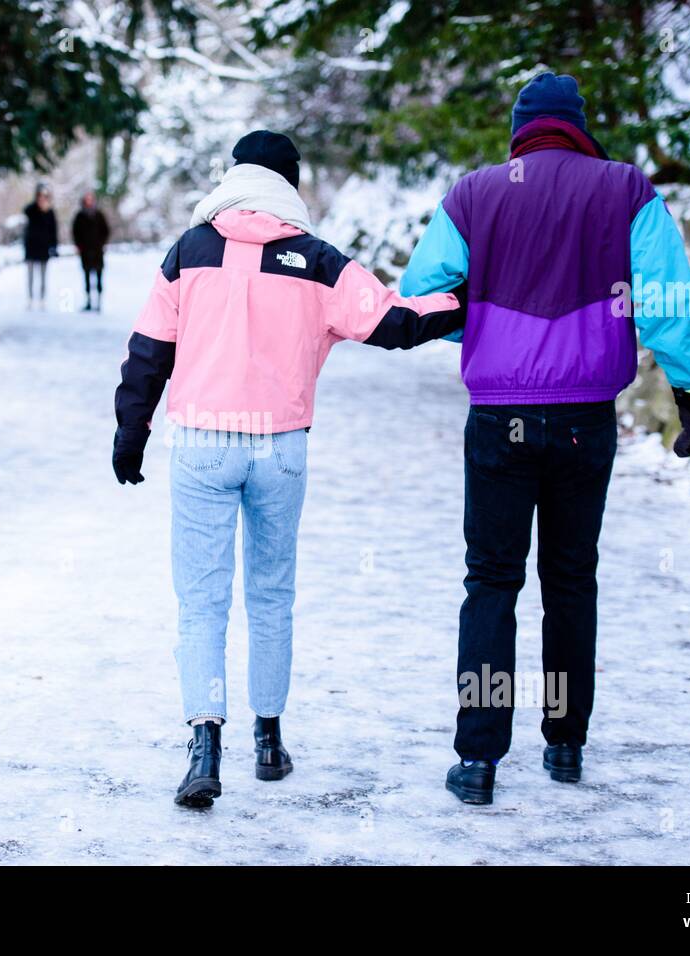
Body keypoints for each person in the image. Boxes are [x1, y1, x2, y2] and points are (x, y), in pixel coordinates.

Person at [112, 130, 466, 808]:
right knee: (271, 595)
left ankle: (204, 744)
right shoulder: (317, 260)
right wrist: (465, 300)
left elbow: (149, 350)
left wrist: (133, 433)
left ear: (233, 176)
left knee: (202, 602)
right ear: (290, 184)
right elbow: (393, 322)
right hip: (280, 447)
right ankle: (269, 740)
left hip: (203, 445)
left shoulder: (188, 252)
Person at [399, 73, 690, 805]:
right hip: (583, 418)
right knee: (571, 581)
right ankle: (565, 743)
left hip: (497, 417)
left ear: (520, 129)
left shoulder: (475, 192)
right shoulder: (626, 188)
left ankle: (478, 758)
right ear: (579, 126)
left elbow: (423, 292)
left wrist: (469, 313)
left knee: (491, 581)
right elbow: (667, 302)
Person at [72, 191, 111, 311]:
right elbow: (75, 232)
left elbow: (106, 230)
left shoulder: (99, 215)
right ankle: (88, 301)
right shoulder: (79, 215)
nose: (89, 201)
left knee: (99, 275)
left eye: (91, 199)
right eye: (87, 199)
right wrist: (78, 246)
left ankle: (99, 301)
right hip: (85, 251)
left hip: (98, 250)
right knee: (87, 276)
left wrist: (102, 243)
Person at [22, 184, 58, 309]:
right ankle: (30, 298)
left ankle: (42, 299)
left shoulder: (50, 211)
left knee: (43, 275)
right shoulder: (32, 210)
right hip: (31, 246)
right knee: (30, 275)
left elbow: (53, 230)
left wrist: (53, 246)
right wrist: (37, 204)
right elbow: (25, 210)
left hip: (44, 247)